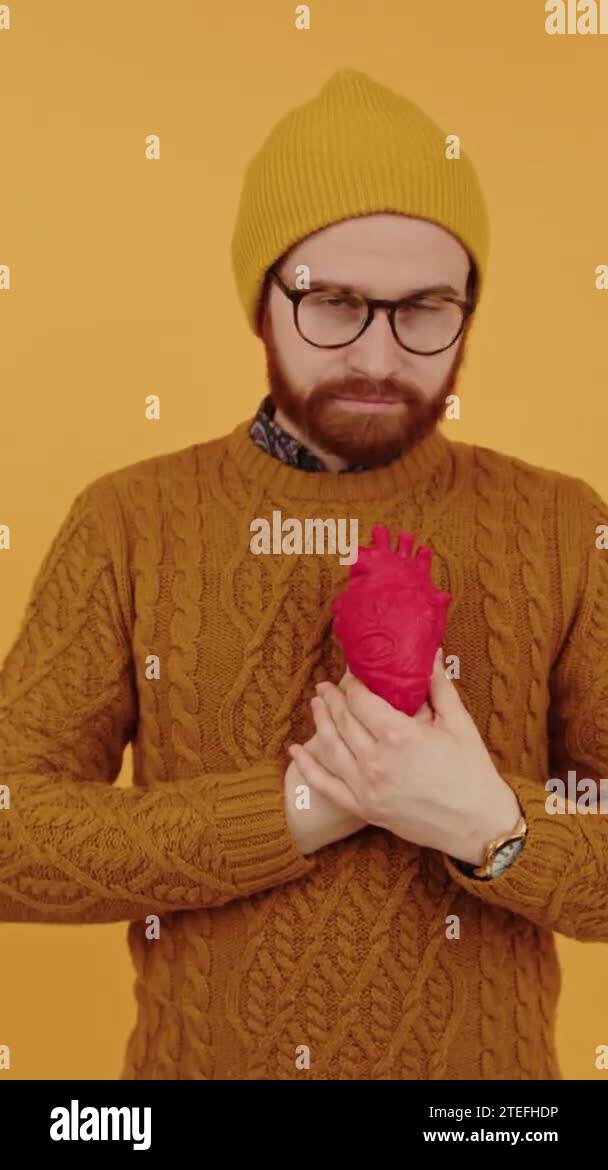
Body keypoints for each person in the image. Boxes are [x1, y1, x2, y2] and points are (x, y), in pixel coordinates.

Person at [1, 68, 607, 1081]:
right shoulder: (129, 521)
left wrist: (489, 823)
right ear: (260, 301)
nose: (377, 354)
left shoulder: (560, 525)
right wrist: (296, 807)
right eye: (332, 302)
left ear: (468, 308)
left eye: (423, 309)